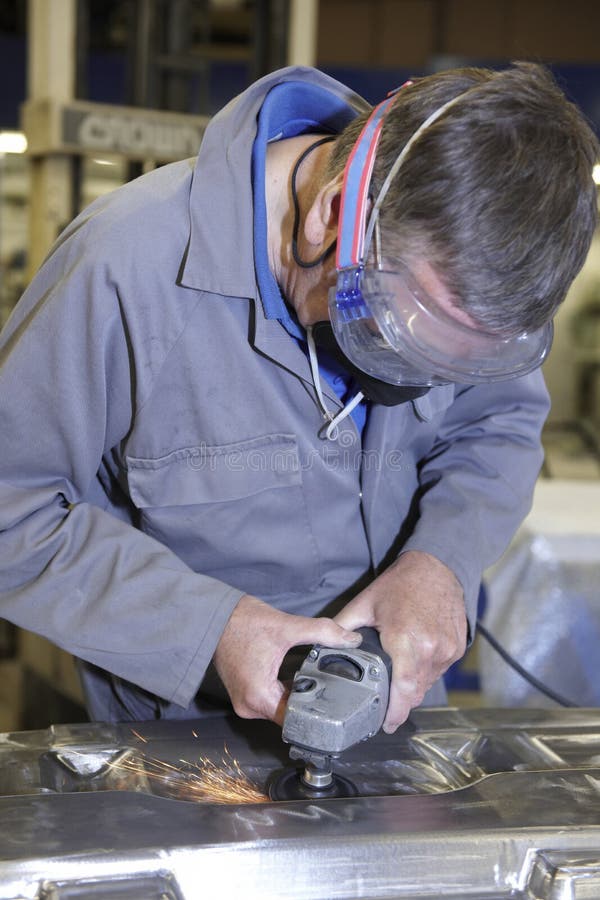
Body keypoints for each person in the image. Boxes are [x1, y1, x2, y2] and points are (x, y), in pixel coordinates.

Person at [0, 62, 597, 730]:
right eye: (401, 334)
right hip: (188, 738)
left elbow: (498, 421)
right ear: (333, 215)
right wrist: (210, 629)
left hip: (393, 721)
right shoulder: (123, 270)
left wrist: (442, 560)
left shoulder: (464, 274)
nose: (420, 373)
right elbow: (10, 509)